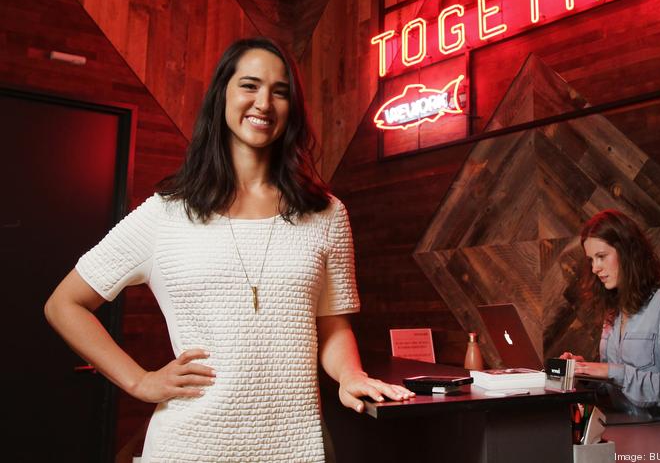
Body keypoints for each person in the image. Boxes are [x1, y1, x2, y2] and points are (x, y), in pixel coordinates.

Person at [44, 37, 412, 462]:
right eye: (249, 85)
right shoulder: (166, 214)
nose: (264, 103)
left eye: (280, 91)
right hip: (189, 446)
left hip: (295, 446)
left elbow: (332, 325)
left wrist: (350, 376)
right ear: (223, 95)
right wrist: (138, 381)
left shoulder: (326, 214)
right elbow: (65, 304)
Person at [561, 210, 660, 424]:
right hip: (630, 425)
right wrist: (585, 373)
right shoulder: (614, 309)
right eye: (591, 260)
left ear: (627, 252)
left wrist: (612, 371)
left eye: (601, 257)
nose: (595, 268)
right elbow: (615, 382)